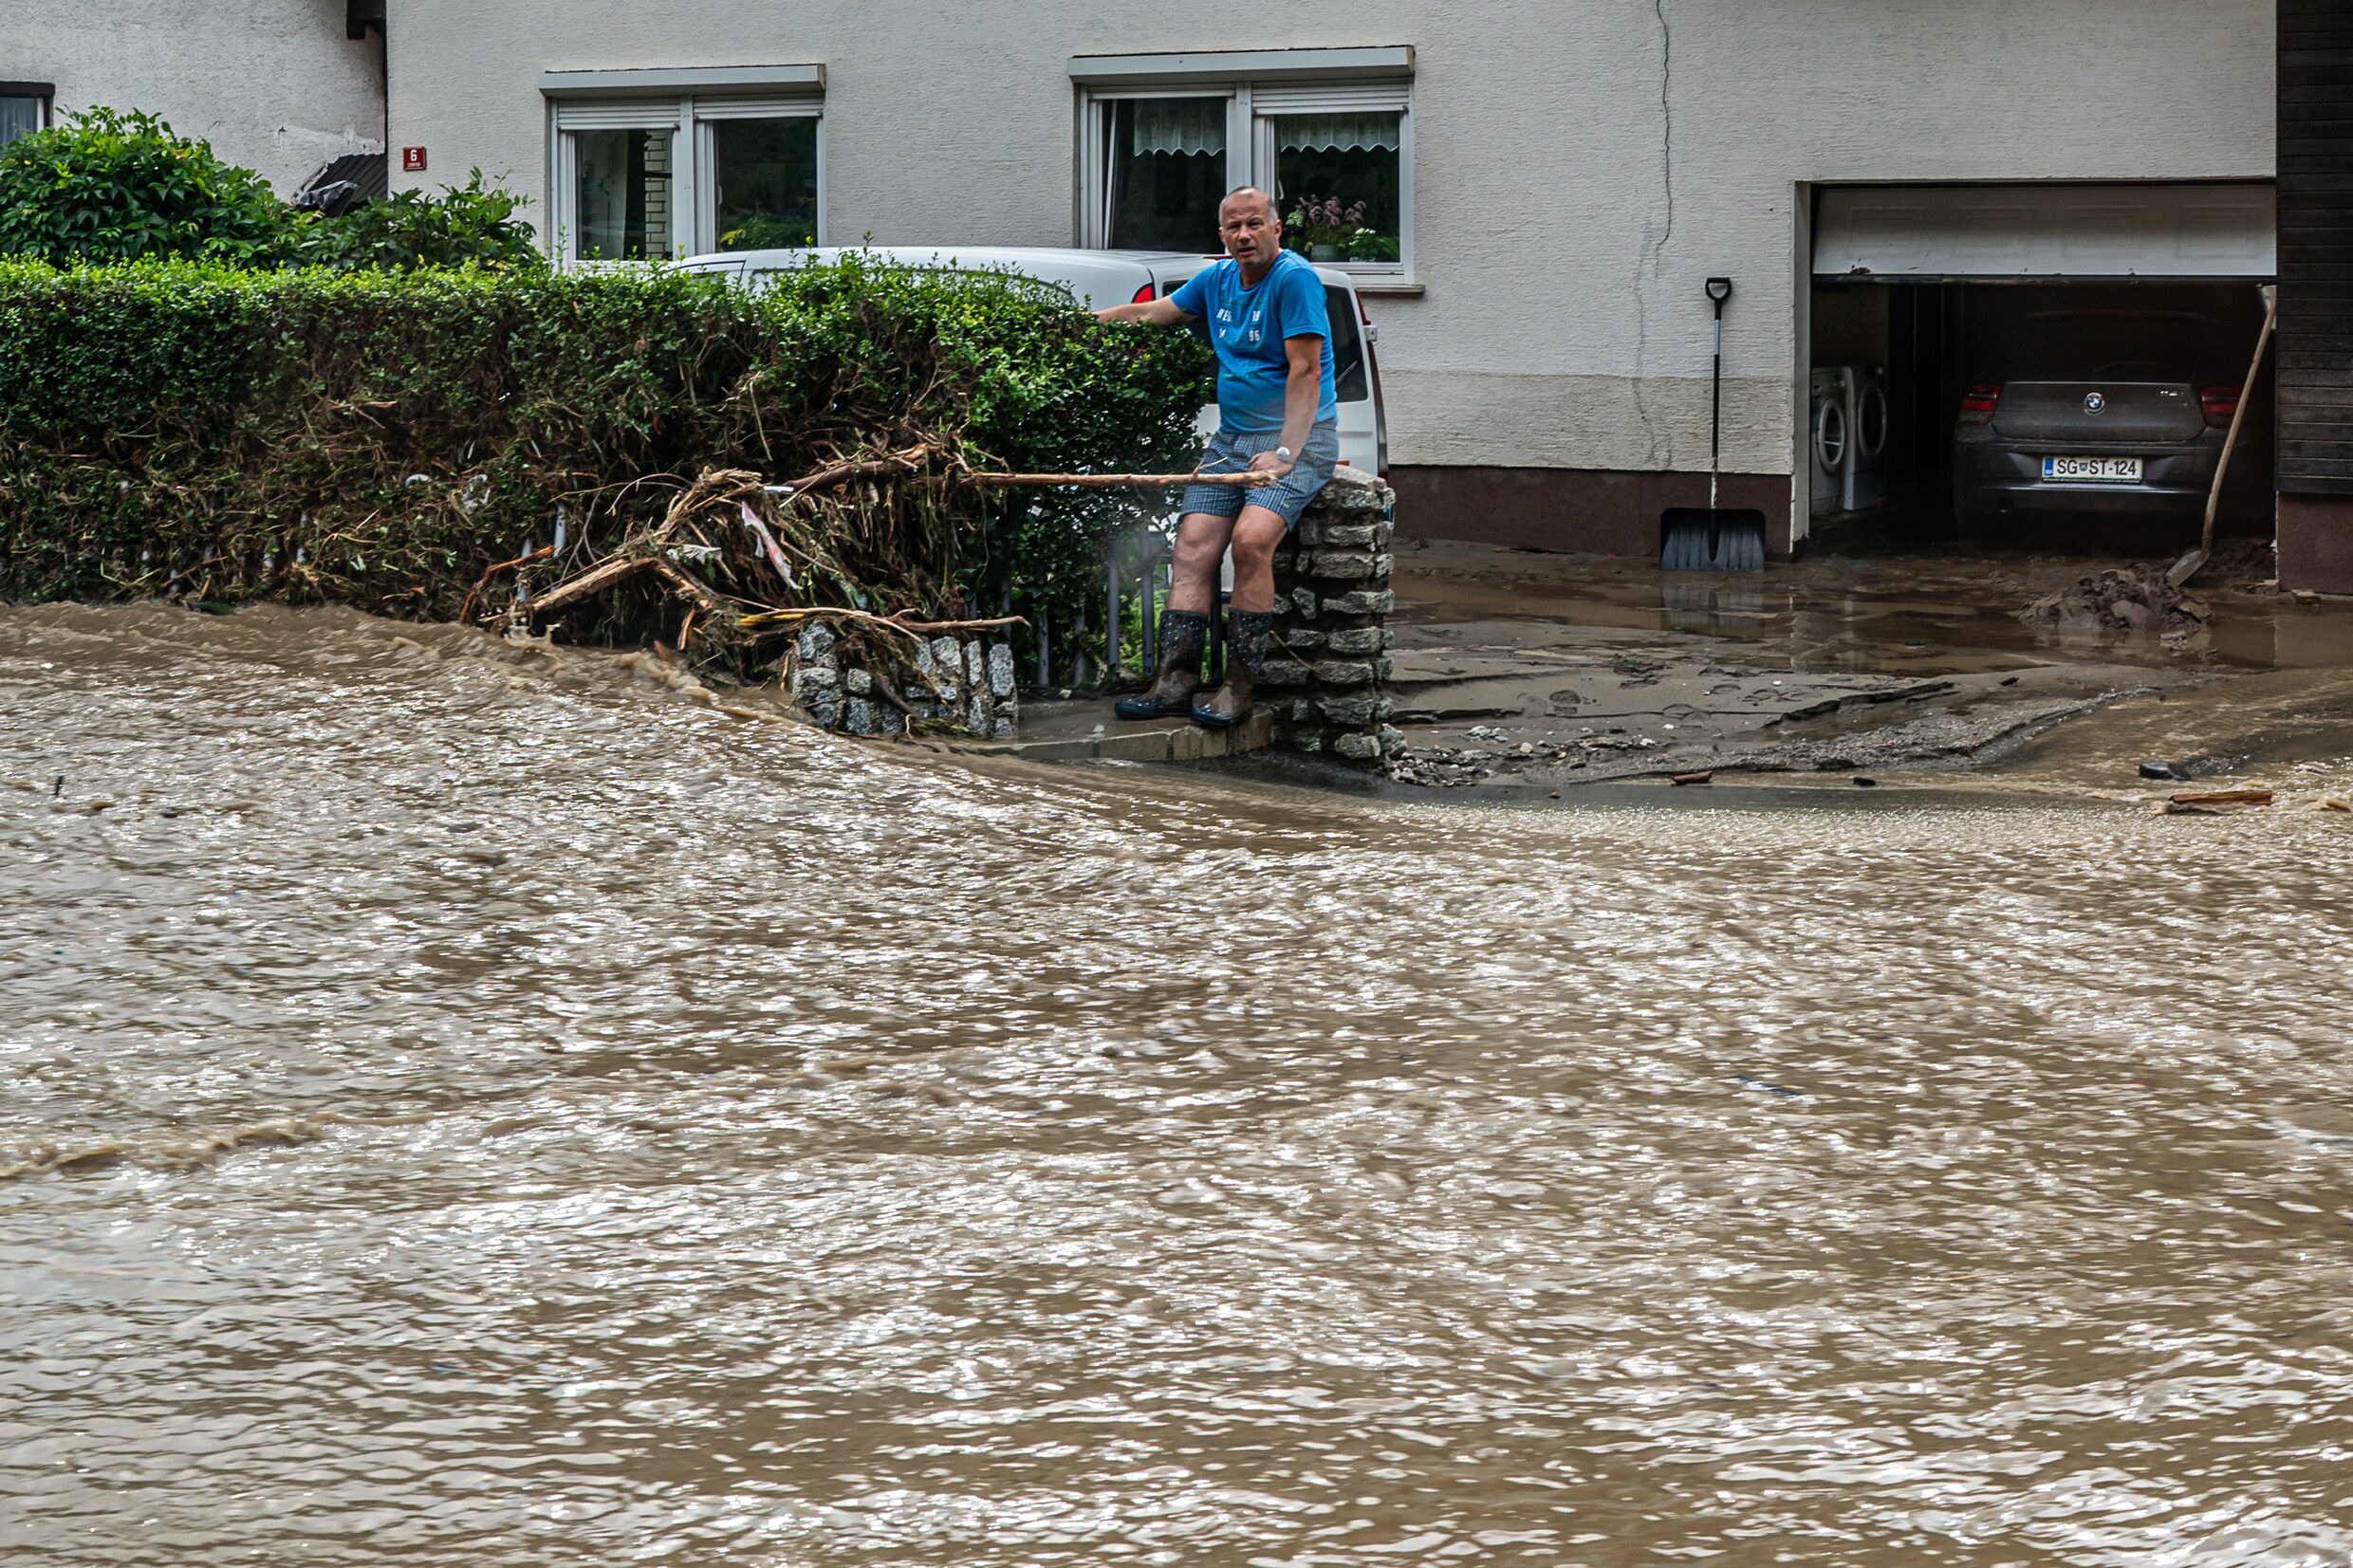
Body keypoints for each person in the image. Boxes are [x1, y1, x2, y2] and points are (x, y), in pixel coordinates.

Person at [1094, 186, 1339, 728]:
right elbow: (1158, 310)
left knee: (1251, 543)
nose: (1244, 235)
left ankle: (1238, 690)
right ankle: (1174, 684)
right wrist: (1087, 325)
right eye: (1234, 227)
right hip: (1231, 442)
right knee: (1193, 548)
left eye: (1255, 224)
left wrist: (1283, 454)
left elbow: (1306, 372)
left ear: (1277, 228)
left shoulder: (1294, 280)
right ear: (1222, 234)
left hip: (1299, 441)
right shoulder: (1219, 278)